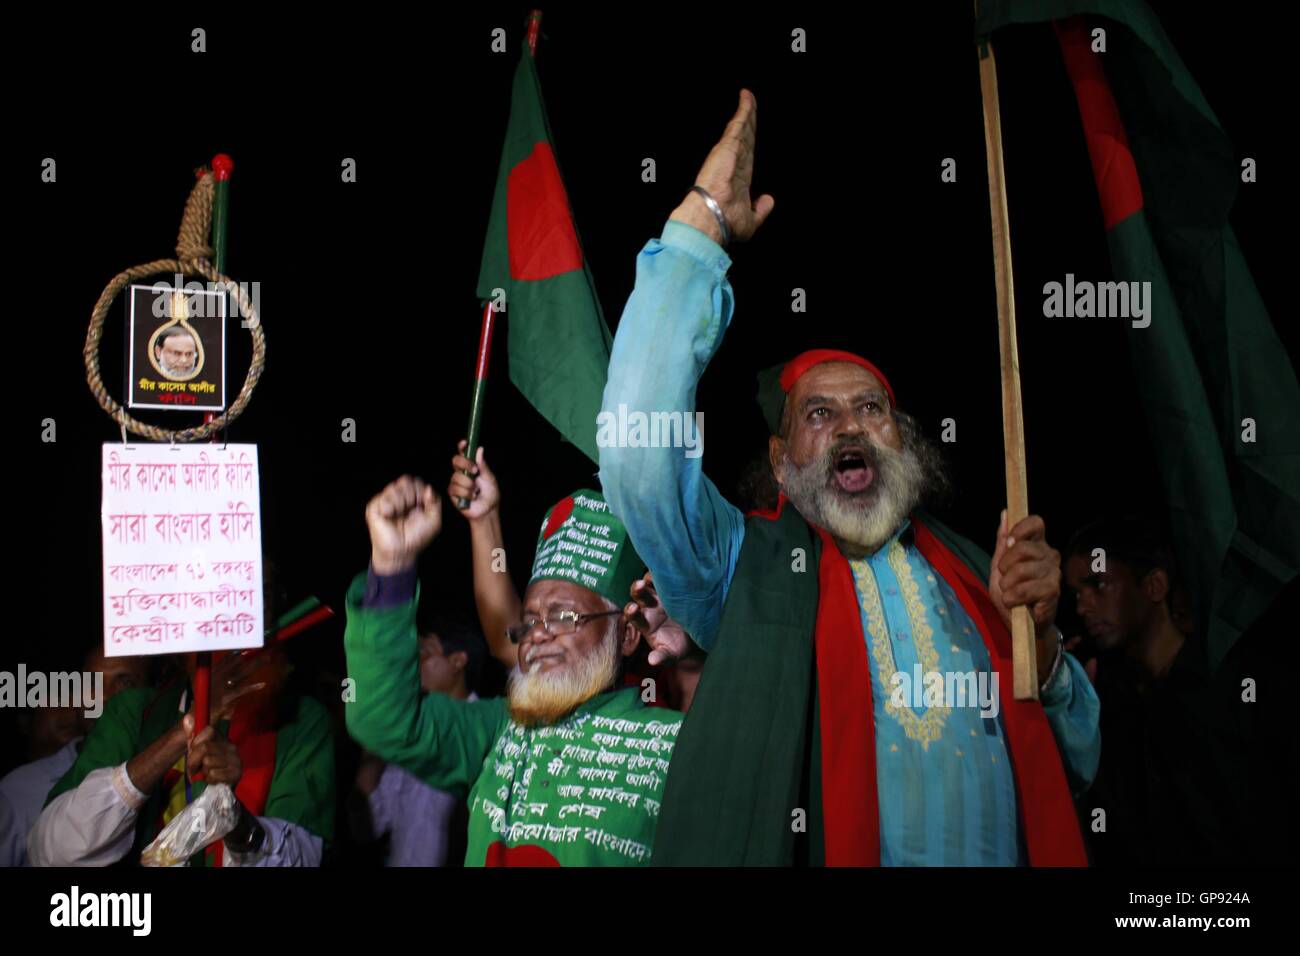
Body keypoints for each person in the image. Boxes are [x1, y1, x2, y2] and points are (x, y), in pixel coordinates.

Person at [598, 90, 1100, 866]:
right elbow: (635, 456)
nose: (849, 427)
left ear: (898, 439)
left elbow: (1083, 758)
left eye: (869, 409)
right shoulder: (740, 566)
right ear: (780, 459)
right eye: (819, 415)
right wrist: (702, 231)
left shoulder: (981, 570)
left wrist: (1038, 640)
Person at [345, 477, 689, 865]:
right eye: (528, 622)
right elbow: (382, 719)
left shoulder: (675, 747)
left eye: (563, 617)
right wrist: (391, 567)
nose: (537, 636)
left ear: (625, 635)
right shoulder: (498, 731)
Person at [1063, 517, 1276, 865]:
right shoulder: (1112, 706)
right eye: (1076, 593)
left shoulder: (1228, 686)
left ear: (1154, 586)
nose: (1082, 607)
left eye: (1098, 584)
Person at [28, 645, 334, 867]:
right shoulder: (135, 712)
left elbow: (301, 858)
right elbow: (54, 852)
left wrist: (232, 816)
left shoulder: (302, 720)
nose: (225, 634)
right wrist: (183, 730)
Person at [354, 616, 487, 866]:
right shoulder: (414, 731)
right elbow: (370, 827)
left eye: (425, 651)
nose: (415, 660)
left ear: (458, 661)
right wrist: (371, 750)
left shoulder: (487, 737)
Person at [0, 648, 147, 866]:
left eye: (124, 683)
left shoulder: (177, 772)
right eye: (91, 683)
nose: (104, 695)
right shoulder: (19, 790)